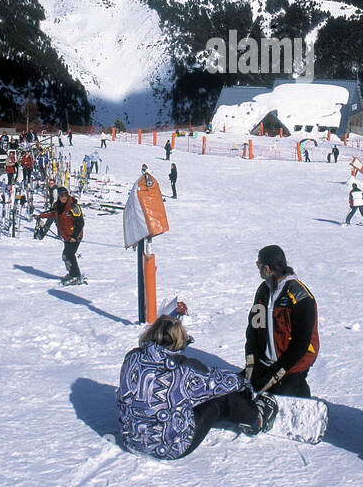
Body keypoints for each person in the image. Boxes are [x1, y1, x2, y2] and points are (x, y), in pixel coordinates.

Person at [117, 309, 277, 459]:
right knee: (222, 398)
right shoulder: (182, 369)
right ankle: (257, 419)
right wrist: (244, 383)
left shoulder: (132, 357)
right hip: (170, 447)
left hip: (132, 440)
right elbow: (218, 382)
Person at [245, 245, 318, 397]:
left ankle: (299, 389)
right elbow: (254, 326)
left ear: (267, 268)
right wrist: (252, 359)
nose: (258, 271)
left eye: (258, 266)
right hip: (267, 361)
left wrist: (278, 371)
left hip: (294, 363)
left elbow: (301, 343)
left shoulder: (300, 297)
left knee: (282, 397)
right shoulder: (263, 290)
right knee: (242, 390)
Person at [40, 187, 85, 284]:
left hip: (74, 236)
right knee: (66, 255)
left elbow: (80, 223)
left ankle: (76, 276)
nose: (64, 197)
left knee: (68, 255)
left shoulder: (74, 207)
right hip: (66, 236)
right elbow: (52, 213)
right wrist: (40, 216)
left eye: (65, 195)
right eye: (61, 195)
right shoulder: (58, 206)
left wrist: (75, 236)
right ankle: (72, 273)